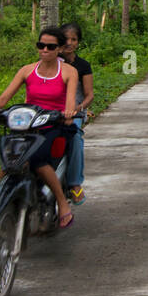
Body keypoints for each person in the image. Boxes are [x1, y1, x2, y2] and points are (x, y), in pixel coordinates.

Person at [0, 26, 78, 229]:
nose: (45, 50)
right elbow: (5, 97)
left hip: (52, 124)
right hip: (27, 124)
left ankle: (62, 202)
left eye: (50, 46)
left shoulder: (69, 72)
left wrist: (68, 114)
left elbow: (70, 103)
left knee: (38, 159)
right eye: (41, 45)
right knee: (9, 161)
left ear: (59, 49)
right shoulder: (26, 70)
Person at [61, 22, 94, 204]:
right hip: (52, 111)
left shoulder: (82, 66)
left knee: (74, 137)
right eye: (66, 39)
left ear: (78, 43)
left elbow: (89, 95)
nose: (69, 43)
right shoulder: (51, 61)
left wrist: (78, 108)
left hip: (74, 113)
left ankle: (74, 183)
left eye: (74, 39)